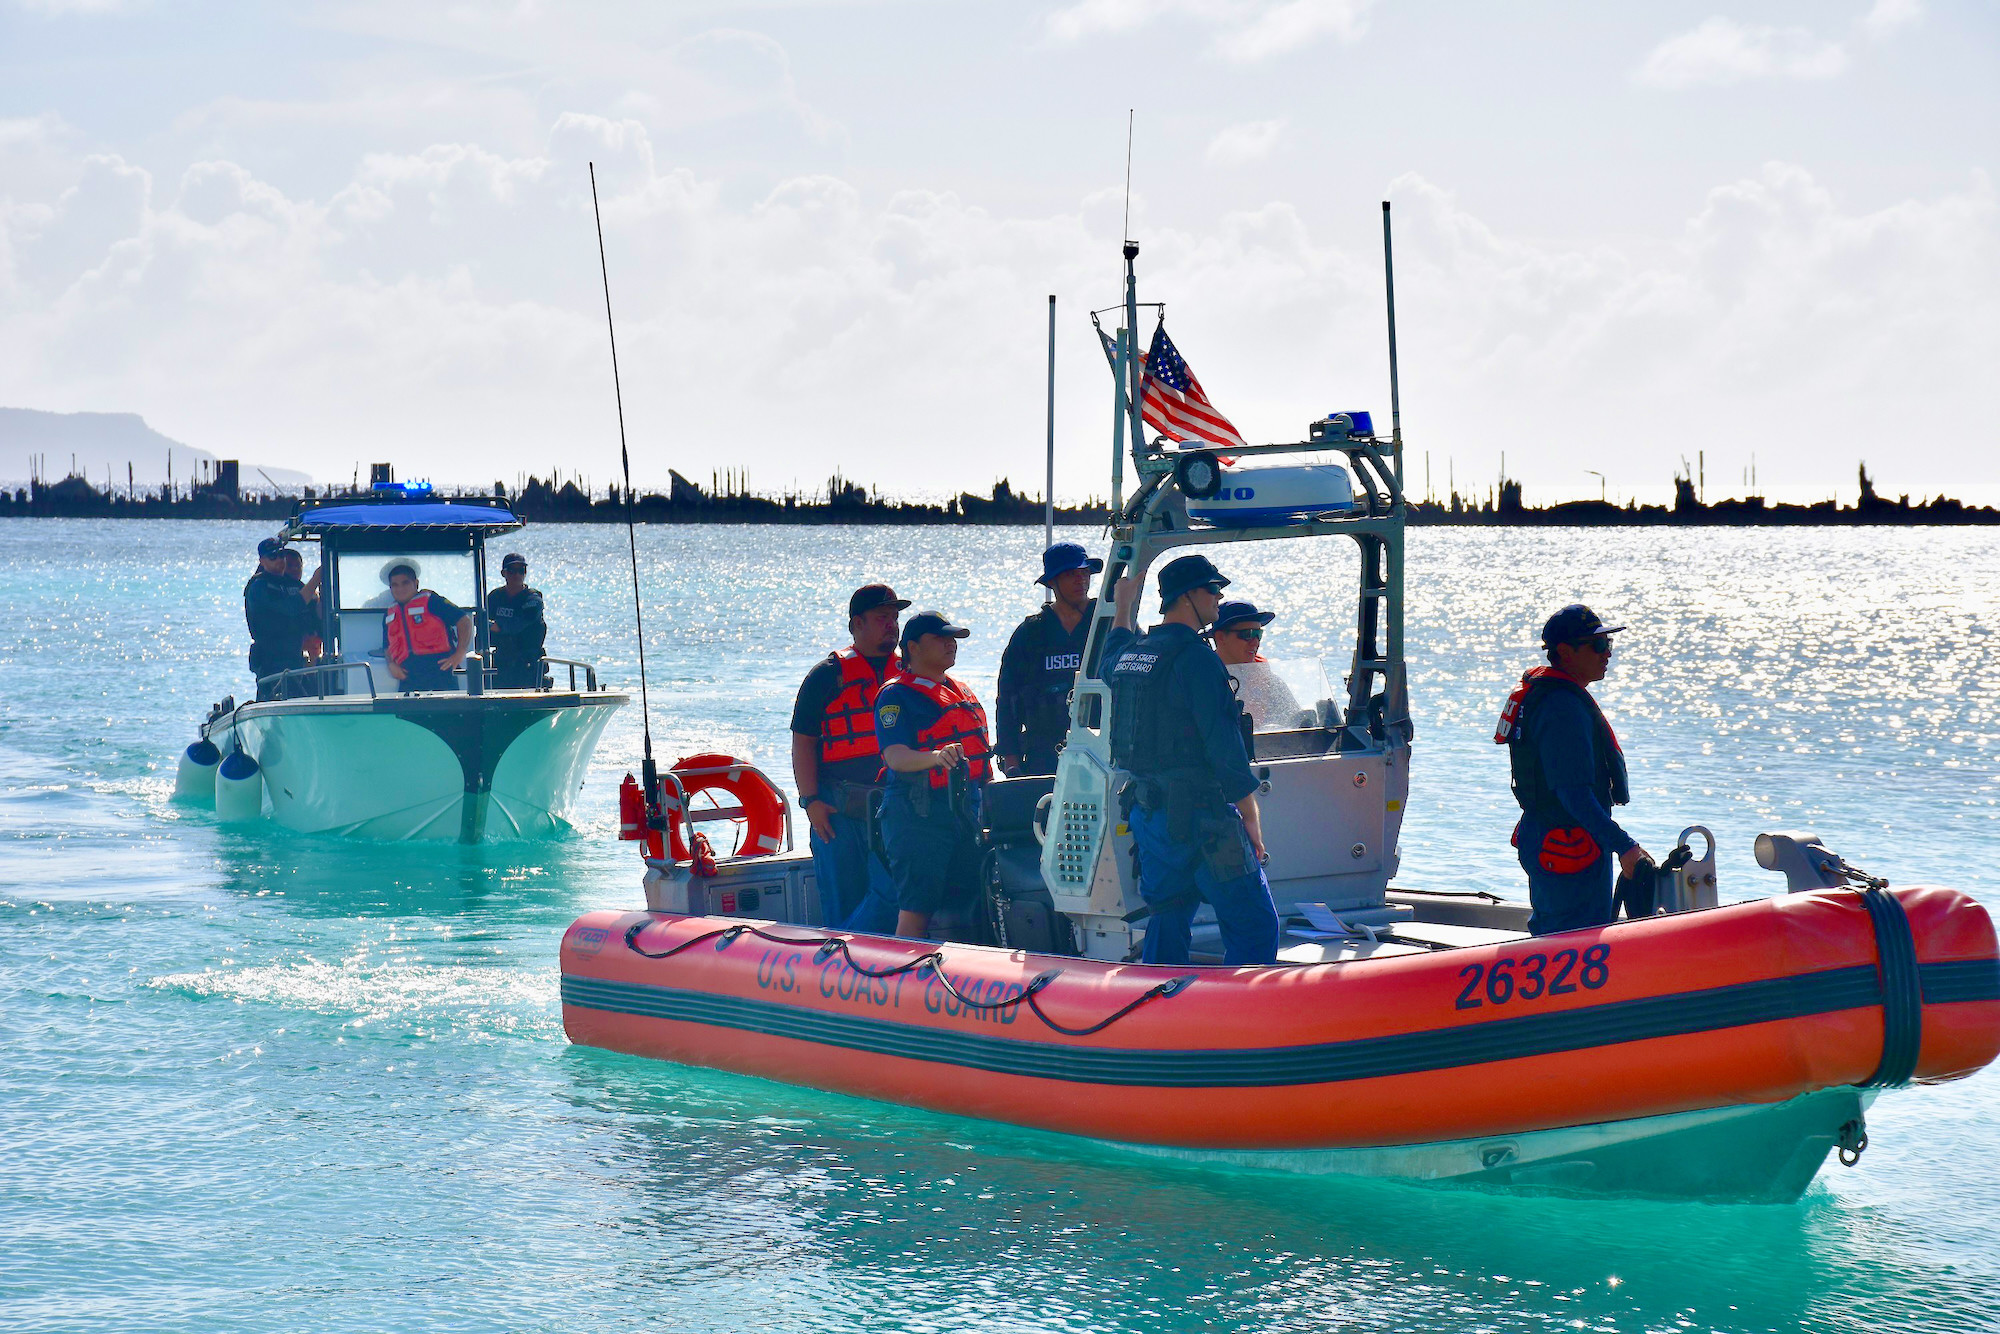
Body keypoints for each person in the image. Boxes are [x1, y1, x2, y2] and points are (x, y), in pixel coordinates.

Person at [1102, 557, 1279, 967]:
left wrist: (1124, 608)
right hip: (1204, 821)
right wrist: (1250, 817)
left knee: (1168, 917)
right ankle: (1242, 1021)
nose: (1219, 597)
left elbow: (1110, 658)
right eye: (1211, 589)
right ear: (1188, 596)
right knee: (1255, 925)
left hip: (1151, 819)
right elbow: (1225, 745)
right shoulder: (1197, 659)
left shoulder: (1135, 653)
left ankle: (1160, 1011)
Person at [1495, 603, 1651, 936]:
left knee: (1562, 933)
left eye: (1607, 645)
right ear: (1565, 652)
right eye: (1597, 646)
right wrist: (1624, 845)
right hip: (1566, 845)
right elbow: (1574, 794)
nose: (1605, 654)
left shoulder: (1553, 698)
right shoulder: (1562, 708)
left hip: (1556, 835)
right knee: (1569, 940)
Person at [790, 584, 907, 932]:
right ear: (857, 623)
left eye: (895, 618)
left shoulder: (909, 671)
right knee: (843, 899)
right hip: (837, 808)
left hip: (894, 806)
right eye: (882, 618)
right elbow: (803, 743)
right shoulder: (826, 675)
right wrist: (810, 801)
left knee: (895, 895)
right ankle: (838, 963)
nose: (891, 625)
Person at [874, 610, 992, 940]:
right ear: (912, 647)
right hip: (917, 815)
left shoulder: (961, 692)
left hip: (965, 811)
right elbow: (895, 756)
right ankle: (902, 977)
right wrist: (936, 758)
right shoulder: (896, 695)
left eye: (952, 638)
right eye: (940, 638)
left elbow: (982, 758)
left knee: (974, 900)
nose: (949, 644)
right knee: (916, 908)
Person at [995, 541, 1102, 776]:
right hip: (1043, 752)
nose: (1080, 580)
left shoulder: (1107, 623)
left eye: (1084, 572)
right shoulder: (1030, 633)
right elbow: (1007, 701)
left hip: (1102, 748)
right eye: (1070, 574)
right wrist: (1011, 760)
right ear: (1052, 581)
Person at [1205, 598, 1305, 731]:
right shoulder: (1204, 679)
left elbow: (1296, 720)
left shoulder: (1269, 681)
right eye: (1247, 634)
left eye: (1258, 634)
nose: (1255, 642)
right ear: (1221, 637)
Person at [244, 536, 322, 700]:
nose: (279, 560)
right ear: (262, 560)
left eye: (281, 555)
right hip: (271, 659)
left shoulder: (293, 584)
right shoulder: (259, 587)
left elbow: (314, 613)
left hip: (295, 656)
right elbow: (291, 608)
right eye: (273, 557)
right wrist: (315, 579)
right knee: (276, 698)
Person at [382, 563, 474, 693]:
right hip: (409, 676)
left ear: (416, 583)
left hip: (440, 672)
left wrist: (459, 653)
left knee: (447, 712)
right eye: (395, 585)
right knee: (409, 713)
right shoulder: (389, 613)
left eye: (405, 583)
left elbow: (464, 621)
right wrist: (391, 664)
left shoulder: (433, 601)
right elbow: (387, 645)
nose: (400, 588)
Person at [486, 552, 547, 690]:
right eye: (512, 571)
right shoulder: (495, 597)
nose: (517, 575)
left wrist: (497, 626)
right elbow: (480, 620)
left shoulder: (533, 599)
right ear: (504, 573)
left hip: (528, 665)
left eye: (521, 571)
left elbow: (519, 623)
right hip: (502, 663)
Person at [281, 548, 323, 664]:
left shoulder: (305, 589)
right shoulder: (278, 589)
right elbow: (292, 608)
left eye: (298, 566)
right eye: (290, 566)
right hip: (290, 647)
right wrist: (315, 579)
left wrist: (322, 597)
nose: (295, 569)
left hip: (312, 641)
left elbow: (318, 616)